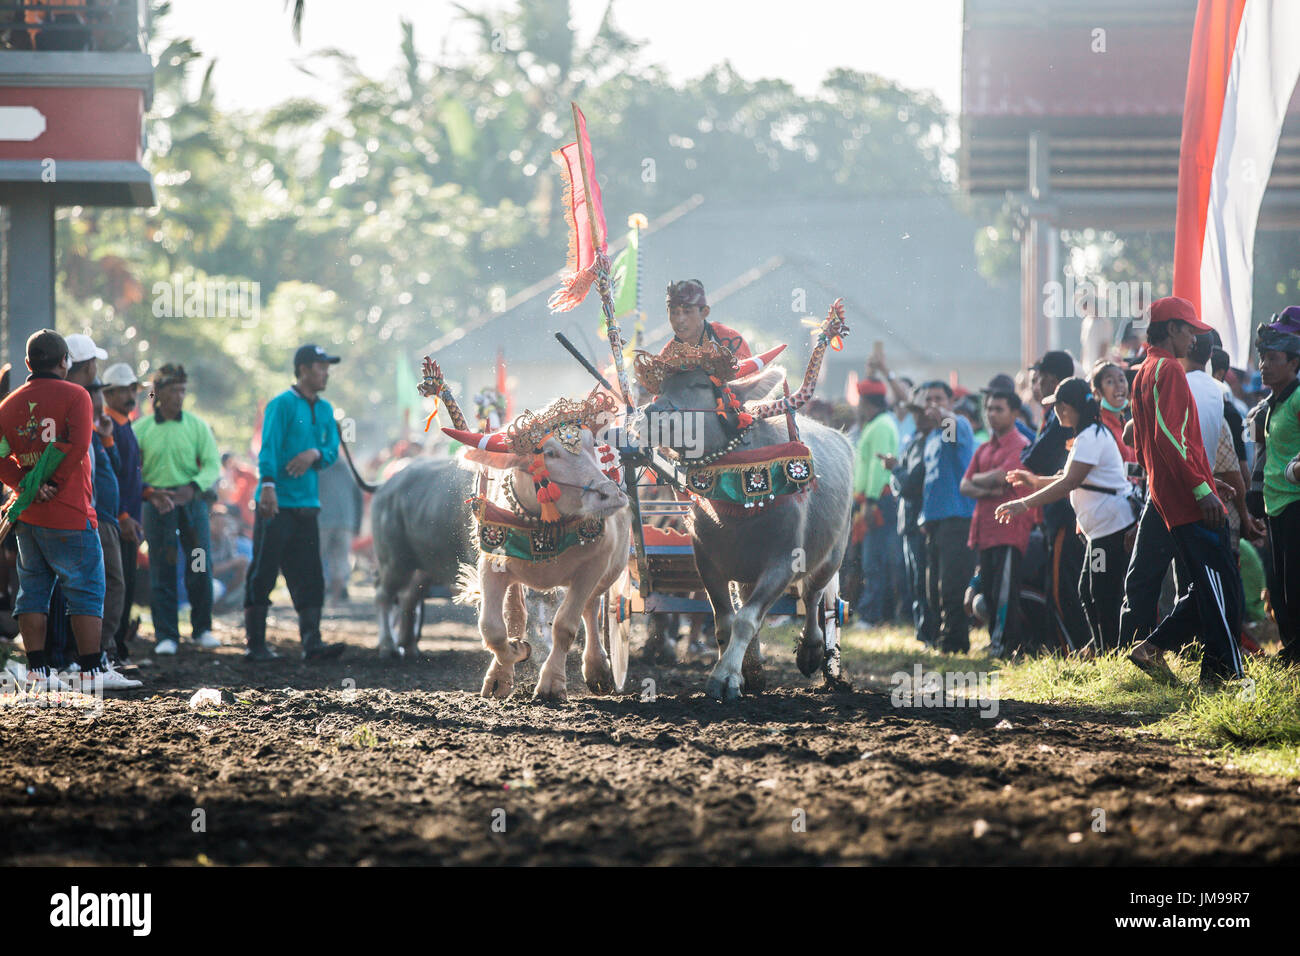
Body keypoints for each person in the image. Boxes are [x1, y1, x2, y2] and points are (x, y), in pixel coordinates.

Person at [0, 330, 137, 690]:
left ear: (29, 363)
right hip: (71, 512)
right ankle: (92, 671)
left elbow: (0, 456)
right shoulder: (77, 396)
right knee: (87, 591)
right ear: (65, 362)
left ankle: (37, 673)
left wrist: (26, 485)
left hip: (28, 516)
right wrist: (55, 486)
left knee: (32, 592)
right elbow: (76, 445)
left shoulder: (7, 405)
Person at [1126, 297, 1243, 689]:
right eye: (1189, 329)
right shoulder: (1168, 370)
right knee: (1222, 585)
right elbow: (1168, 437)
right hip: (1186, 499)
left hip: (1171, 493)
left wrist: (1209, 480)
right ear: (1172, 329)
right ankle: (1226, 677)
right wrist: (1200, 488)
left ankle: (1158, 650)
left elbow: (1146, 448)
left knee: (1212, 585)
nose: (1194, 337)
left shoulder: (1144, 370)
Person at [998, 379, 1138, 652]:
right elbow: (1066, 478)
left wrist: (1023, 504)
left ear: (1066, 407)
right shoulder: (1088, 435)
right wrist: (1034, 482)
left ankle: (1111, 652)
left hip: (1109, 530)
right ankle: (1103, 650)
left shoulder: (1090, 437)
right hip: (1101, 531)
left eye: (1058, 407)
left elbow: (1068, 483)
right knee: (1090, 591)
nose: (1055, 414)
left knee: (1100, 593)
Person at [244, 345, 344, 661]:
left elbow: (331, 451)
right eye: (320, 366)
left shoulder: (326, 410)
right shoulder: (281, 405)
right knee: (263, 571)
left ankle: (312, 643)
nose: (326, 372)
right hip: (276, 505)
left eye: (327, 366)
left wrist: (315, 454)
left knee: (311, 573)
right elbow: (268, 450)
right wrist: (268, 487)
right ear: (303, 369)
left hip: (307, 505)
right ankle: (255, 645)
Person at [134, 363, 222, 655]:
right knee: (162, 566)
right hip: (156, 505)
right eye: (173, 390)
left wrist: (194, 486)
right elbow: (133, 469)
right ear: (157, 393)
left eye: (183, 390)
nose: (179, 395)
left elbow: (212, 464)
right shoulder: (142, 428)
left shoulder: (197, 425)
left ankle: (202, 629)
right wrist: (150, 491)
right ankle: (166, 635)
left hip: (191, 502)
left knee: (199, 564)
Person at [1021, 349, 1090, 651]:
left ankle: (1076, 650)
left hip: (1066, 515)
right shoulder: (1055, 415)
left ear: (1049, 380)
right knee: (1058, 586)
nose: (1035, 388)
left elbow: (1036, 458)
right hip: (1059, 514)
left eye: (1036, 380)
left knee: (1065, 589)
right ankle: (1068, 648)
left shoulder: (1063, 417)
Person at [961, 388, 1032, 656]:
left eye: (998, 408)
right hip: (985, 530)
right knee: (989, 592)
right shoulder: (984, 447)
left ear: (1015, 412)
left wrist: (986, 480)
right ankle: (996, 642)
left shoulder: (1021, 445)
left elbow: (1003, 477)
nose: (991, 414)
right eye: (989, 408)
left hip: (1009, 529)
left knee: (1004, 594)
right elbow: (964, 485)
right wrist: (988, 485)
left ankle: (1006, 647)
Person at [917, 381, 976, 653]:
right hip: (936, 523)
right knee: (934, 588)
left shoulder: (956, 425)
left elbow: (950, 429)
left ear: (952, 401)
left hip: (958, 519)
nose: (933, 404)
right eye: (928, 399)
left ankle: (956, 642)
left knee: (952, 586)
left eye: (939, 399)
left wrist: (945, 417)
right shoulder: (931, 437)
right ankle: (942, 638)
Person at [1254, 311, 1300, 663]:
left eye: (1273, 358)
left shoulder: (1297, 398)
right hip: (1275, 509)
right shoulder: (1273, 404)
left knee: (1295, 587)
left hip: (1296, 505)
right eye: (1262, 358)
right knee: (1280, 588)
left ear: (1293, 362)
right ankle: (1291, 653)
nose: (1264, 365)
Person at [101, 362, 146, 661]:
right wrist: (122, 516)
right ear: (109, 393)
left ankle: (117, 648)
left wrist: (151, 492)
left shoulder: (125, 424)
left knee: (126, 583)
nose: (131, 395)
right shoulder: (108, 426)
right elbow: (108, 479)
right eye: (125, 390)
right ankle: (110, 648)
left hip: (129, 519)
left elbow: (130, 474)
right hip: (118, 520)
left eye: (133, 389)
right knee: (117, 585)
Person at [886, 387, 936, 646]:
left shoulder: (935, 441)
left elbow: (910, 484)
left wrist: (895, 469)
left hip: (922, 521)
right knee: (915, 581)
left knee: (924, 582)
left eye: (921, 411)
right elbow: (900, 485)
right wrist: (897, 472)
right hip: (908, 520)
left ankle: (930, 634)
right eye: (914, 411)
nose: (918, 417)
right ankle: (922, 632)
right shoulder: (915, 442)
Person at [852, 378, 902, 626]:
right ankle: (872, 613)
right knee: (871, 559)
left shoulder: (881, 425)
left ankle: (871, 615)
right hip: (871, 500)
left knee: (874, 560)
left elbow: (878, 466)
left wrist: (870, 501)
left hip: (877, 501)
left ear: (865, 402)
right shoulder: (876, 424)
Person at [661, 280, 751, 359]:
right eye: (674, 312)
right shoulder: (665, 357)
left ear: (704, 312)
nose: (680, 320)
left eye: (687, 312)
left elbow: (749, 375)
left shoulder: (728, 339)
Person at [317, 456, 363, 604]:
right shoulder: (349, 469)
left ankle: (319, 599)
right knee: (340, 561)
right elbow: (359, 497)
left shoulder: (317, 468)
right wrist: (357, 524)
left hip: (322, 520)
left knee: (317, 560)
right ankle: (335, 602)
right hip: (345, 522)